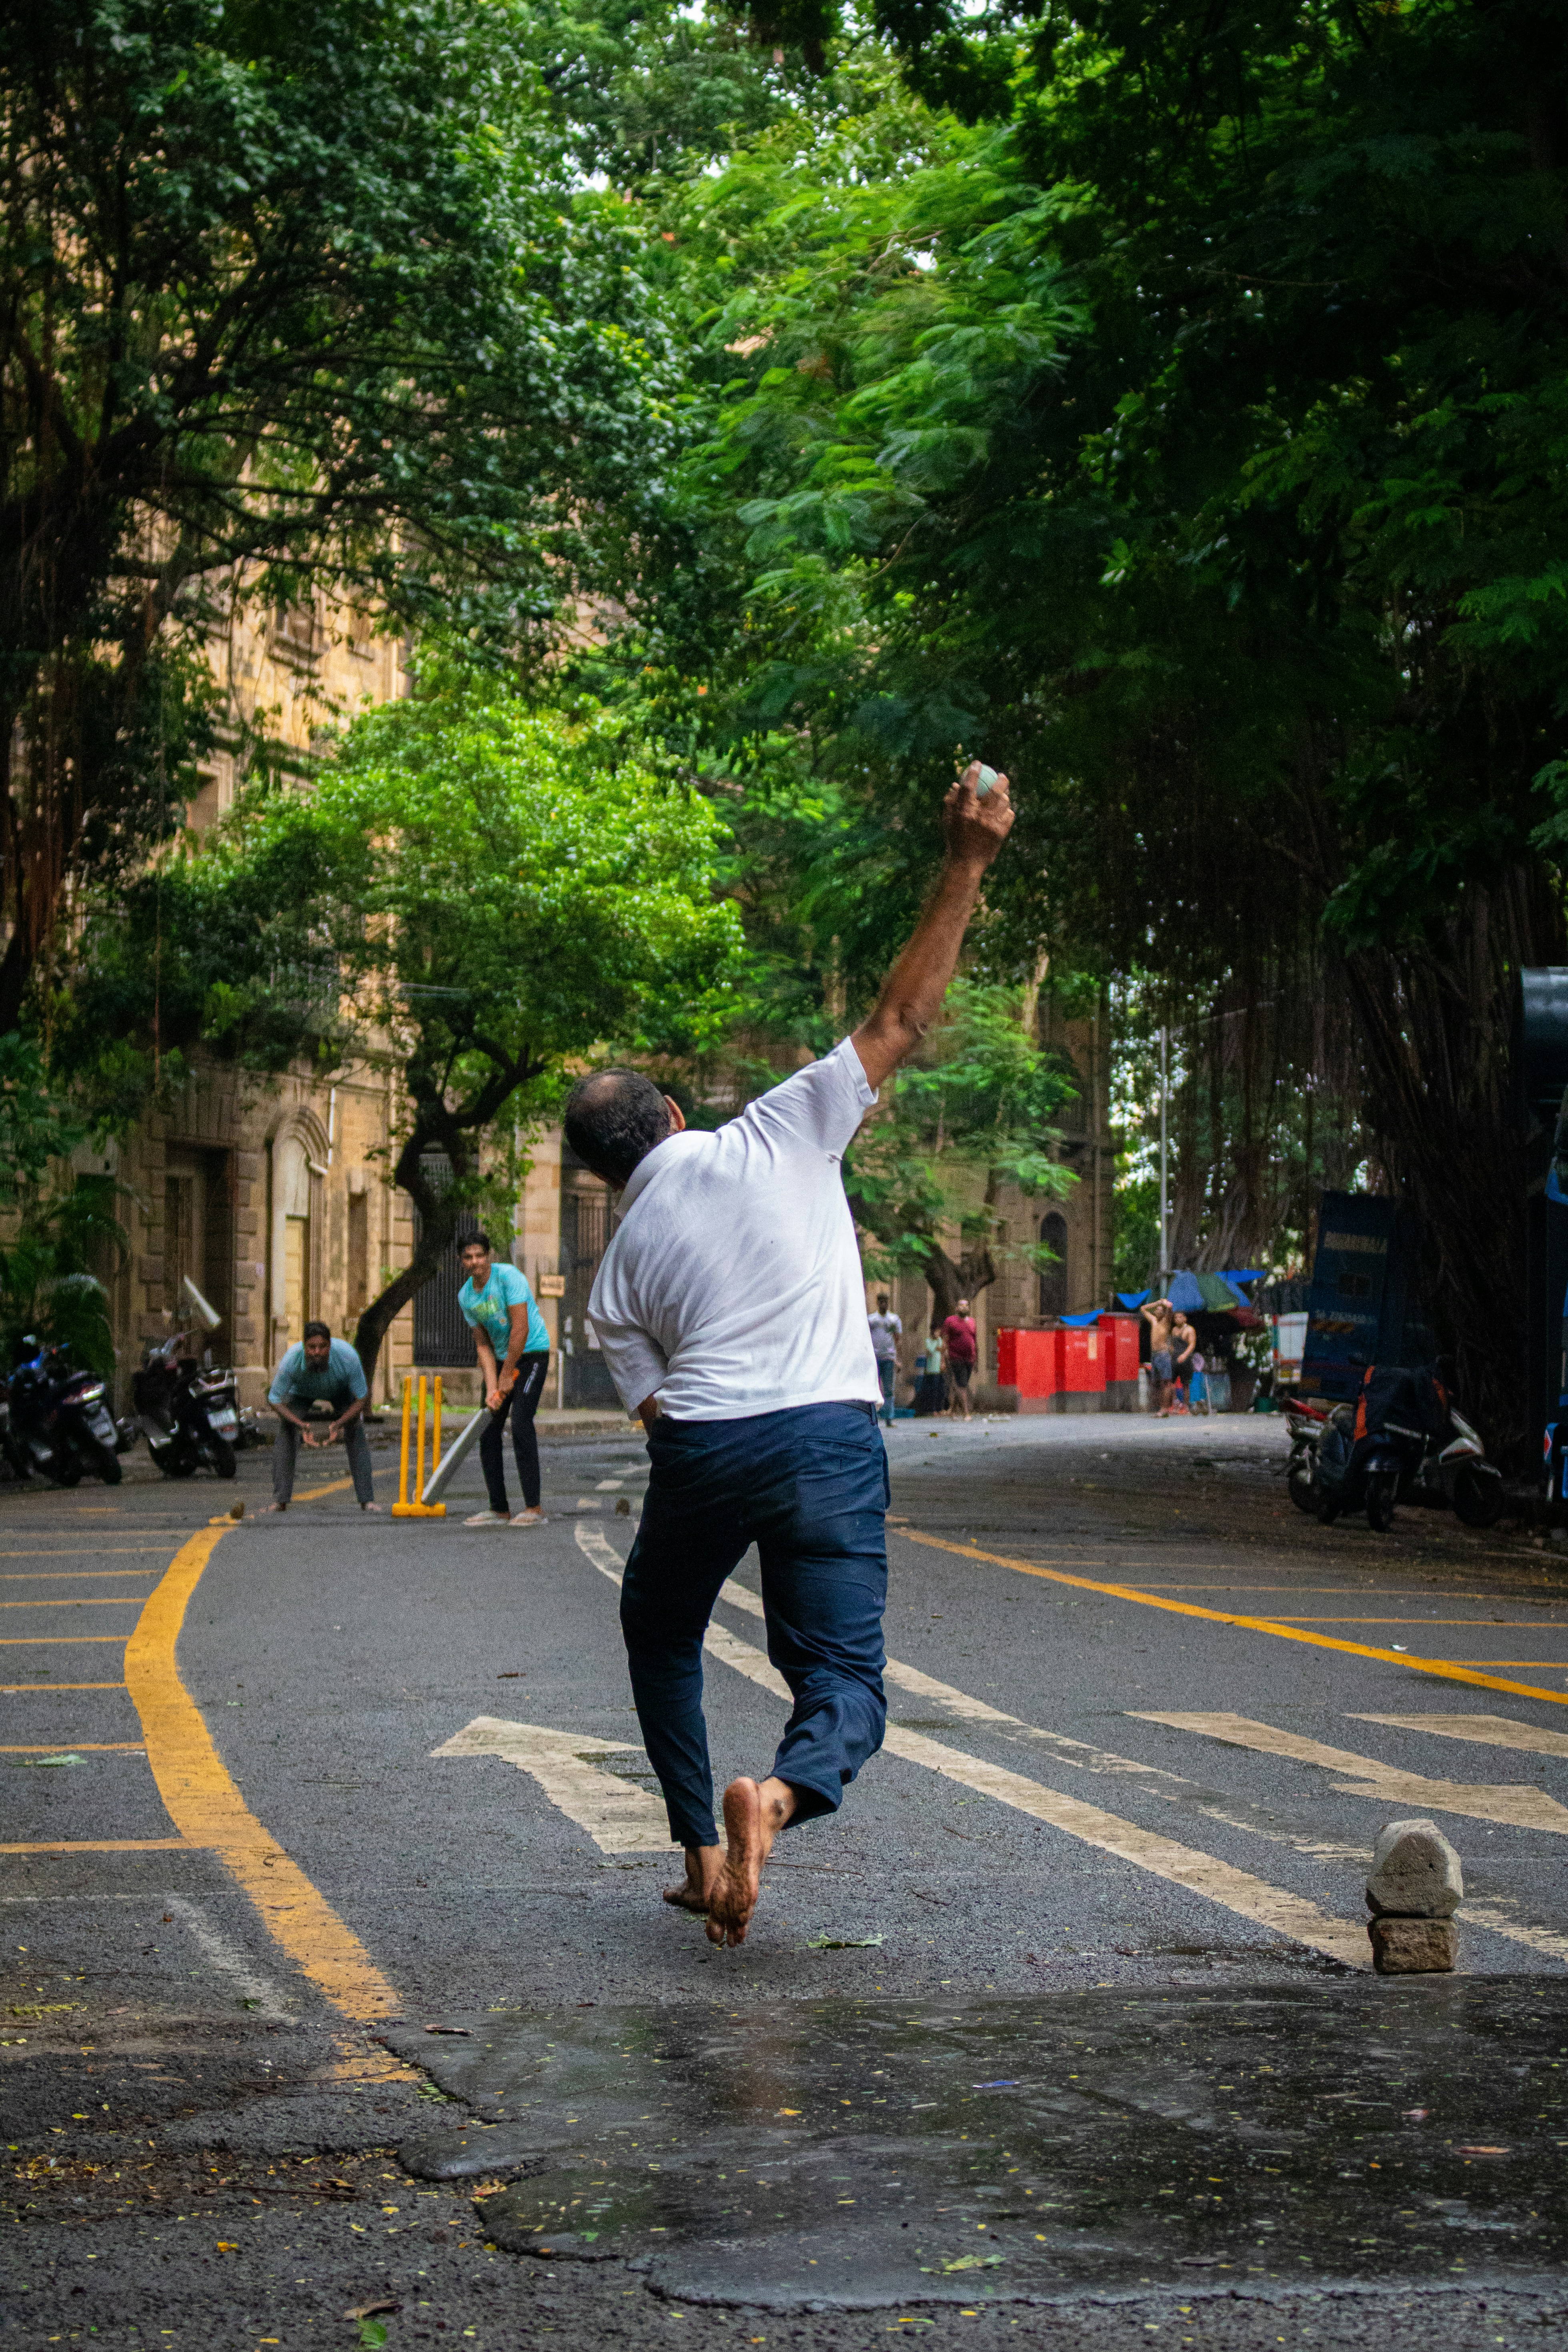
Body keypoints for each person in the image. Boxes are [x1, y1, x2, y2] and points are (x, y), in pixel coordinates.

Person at [568, 761, 1013, 1947]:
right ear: (671, 1116)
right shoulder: (778, 1127)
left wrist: (721, 1464)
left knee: (660, 1632)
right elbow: (901, 1018)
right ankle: (776, 1796)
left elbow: (658, 1419)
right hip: (827, 1434)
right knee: (843, 1681)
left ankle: (700, 1850)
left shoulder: (614, 1279)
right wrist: (965, 858)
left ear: (607, 1171)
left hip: (708, 1442)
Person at [456, 1231, 551, 1528]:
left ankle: (533, 1508)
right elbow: (483, 1345)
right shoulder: (466, 1296)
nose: (475, 1262)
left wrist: (508, 1374)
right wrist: (492, 1386)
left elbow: (520, 1328)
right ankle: (499, 1509)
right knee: (488, 1429)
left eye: (480, 1256)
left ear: (489, 1256)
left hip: (531, 1353)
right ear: (462, 1262)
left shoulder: (509, 1277)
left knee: (521, 1422)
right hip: (500, 1360)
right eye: (469, 1257)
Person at [265, 1321, 377, 1513]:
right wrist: (300, 1424)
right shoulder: (292, 1359)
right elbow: (274, 1400)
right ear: (304, 1346)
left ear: (330, 1346)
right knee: (286, 1431)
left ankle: (367, 1501)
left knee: (356, 1430)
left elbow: (362, 1398)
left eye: (323, 1347)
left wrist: (339, 1424)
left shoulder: (347, 1356)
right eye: (312, 1347)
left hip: (340, 1391)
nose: (317, 1352)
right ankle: (280, 1501)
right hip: (302, 1394)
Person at [867, 1292, 903, 1426]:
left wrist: (898, 1359)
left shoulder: (894, 1320)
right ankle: (873, 1418)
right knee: (874, 1387)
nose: (884, 1304)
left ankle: (889, 1417)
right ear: (878, 1303)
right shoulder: (872, 1320)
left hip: (889, 1357)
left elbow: (898, 1340)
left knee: (889, 1388)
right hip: (874, 1357)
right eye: (881, 1302)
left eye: (886, 1302)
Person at [942, 1297, 977, 1419]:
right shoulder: (950, 1321)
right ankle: (967, 1413)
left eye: (966, 1305)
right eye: (961, 1305)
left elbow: (974, 1341)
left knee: (963, 1384)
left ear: (969, 1308)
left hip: (970, 1359)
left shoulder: (973, 1322)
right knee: (962, 1385)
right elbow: (945, 1340)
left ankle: (952, 1410)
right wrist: (943, 1360)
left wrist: (976, 1359)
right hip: (956, 1357)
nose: (964, 1307)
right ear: (957, 1308)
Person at [1141, 1295, 1176, 1414]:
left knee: (1166, 1382)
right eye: (1157, 1310)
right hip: (1154, 1354)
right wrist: (1157, 1303)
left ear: (1164, 1313)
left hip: (1163, 1354)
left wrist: (1166, 1306)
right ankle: (1161, 1408)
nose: (1157, 1311)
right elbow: (1143, 1309)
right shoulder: (1154, 1321)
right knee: (1157, 1382)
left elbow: (1170, 1312)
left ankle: (1165, 1409)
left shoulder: (1166, 1322)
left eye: (1160, 1310)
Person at [916, 1321, 948, 1417]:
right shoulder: (928, 1341)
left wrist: (943, 1362)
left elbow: (942, 1351)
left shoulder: (940, 1341)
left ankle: (940, 1409)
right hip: (931, 1369)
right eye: (936, 1331)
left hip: (939, 1369)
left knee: (940, 1390)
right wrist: (937, 1345)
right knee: (932, 1391)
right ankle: (933, 1409)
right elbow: (930, 1350)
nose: (938, 1333)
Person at [1169, 1311, 1198, 1416]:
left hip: (1185, 1360)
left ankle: (1186, 1406)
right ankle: (1175, 1403)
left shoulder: (1190, 1330)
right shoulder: (1174, 1330)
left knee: (1185, 1384)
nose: (1178, 1319)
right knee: (1171, 1382)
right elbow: (1172, 1344)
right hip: (1174, 1359)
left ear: (1185, 1319)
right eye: (1176, 1318)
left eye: (1180, 1317)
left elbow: (1192, 1344)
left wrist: (1185, 1355)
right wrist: (1171, 1353)